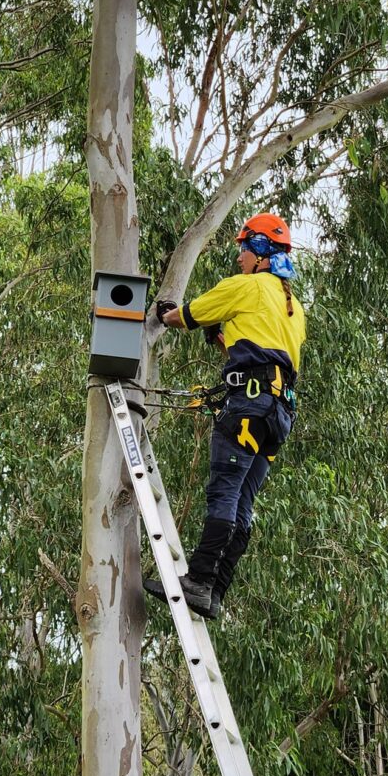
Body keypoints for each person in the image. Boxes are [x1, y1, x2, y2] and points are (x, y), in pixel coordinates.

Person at [144, 213, 306, 620]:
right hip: (278, 414)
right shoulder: (293, 309)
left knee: (224, 493)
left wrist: (167, 313)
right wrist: (222, 338)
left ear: (261, 252)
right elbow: (259, 349)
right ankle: (215, 591)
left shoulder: (246, 287)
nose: (239, 258)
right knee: (243, 503)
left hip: (249, 406)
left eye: (244, 249)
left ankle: (198, 580)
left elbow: (188, 314)